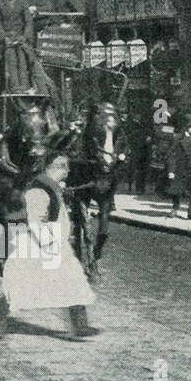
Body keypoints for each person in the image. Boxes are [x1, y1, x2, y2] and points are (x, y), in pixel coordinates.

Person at [0, 144, 96, 339]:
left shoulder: (51, 186)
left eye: (67, 165)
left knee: (74, 281)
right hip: (38, 246)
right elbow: (35, 221)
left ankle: (80, 326)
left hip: (55, 244)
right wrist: (48, 244)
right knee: (21, 285)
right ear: (51, 167)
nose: (67, 170)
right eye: (63, 165)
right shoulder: (38, 189)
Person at [69, 102, 129, 273]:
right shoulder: (89, 132)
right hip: (86, 173)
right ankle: (83, 248)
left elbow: (122, 144)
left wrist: (120, 157)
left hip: (107, 172)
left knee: (105, 219)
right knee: (81, 214)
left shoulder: (117, 130)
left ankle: (98, 248)